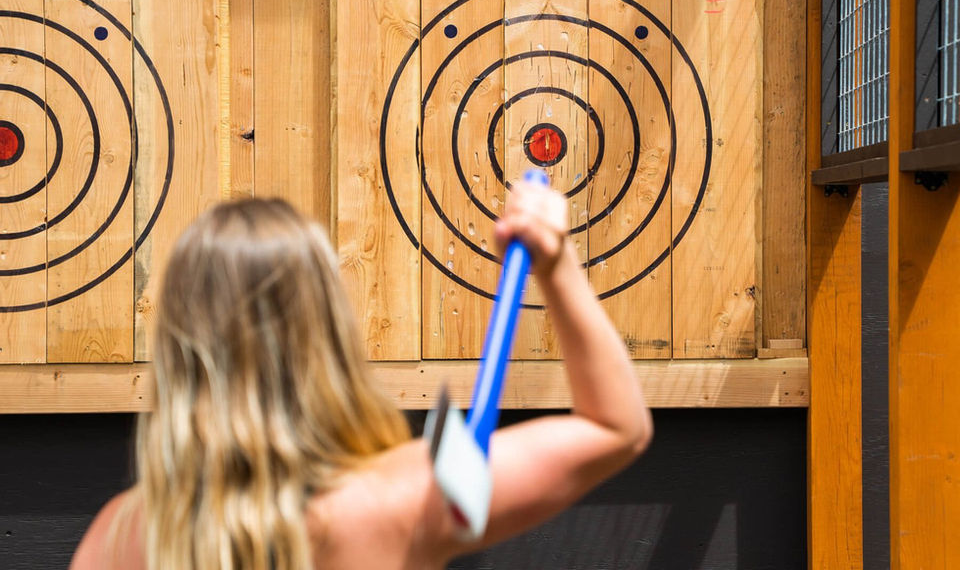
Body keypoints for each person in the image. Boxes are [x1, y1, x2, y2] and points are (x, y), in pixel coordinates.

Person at [71, 182, 653, 570]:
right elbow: (615, 428)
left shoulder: (120, 537)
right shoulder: (409, 496)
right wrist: (556, 264)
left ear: (178, 344)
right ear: (325, 328)